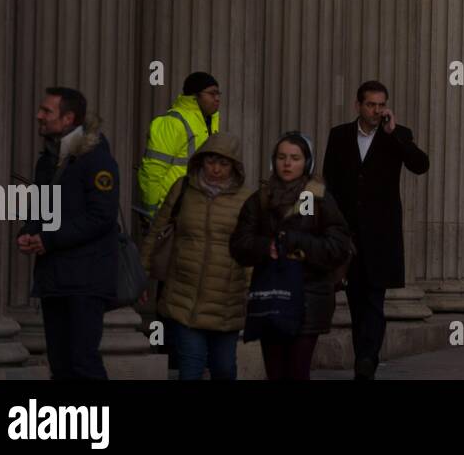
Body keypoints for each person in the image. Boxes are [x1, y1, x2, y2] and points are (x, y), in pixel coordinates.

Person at [323, 80, 430, 379]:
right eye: (371, 104)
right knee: (356, 300)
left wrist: (395, 135)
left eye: (381, 104)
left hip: (381, 235)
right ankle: (364, 355)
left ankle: (366, 360)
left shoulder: (397, 135)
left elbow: (421, 165)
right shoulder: (340, 135)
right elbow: (329, 180)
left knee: (374, 299)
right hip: (348, 234)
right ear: (358, 105)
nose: (376, 110)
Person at [231, 132, 353, 380]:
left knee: (297, 371)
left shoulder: (320, 199)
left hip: (309, 298)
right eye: (282, 157)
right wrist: (266, 247)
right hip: (272, 296)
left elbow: (339, 246)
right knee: (276, 372)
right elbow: (239, 244)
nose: (287, 164)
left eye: (295, 158)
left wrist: (299, 243)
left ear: (306, 162)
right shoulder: (260, 200)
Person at [16, 88, 119, 380]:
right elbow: (40, 209)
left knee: (82, 363)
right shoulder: (47, 160)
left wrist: (49, 239)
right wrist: (29, 231)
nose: (39, 116)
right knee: (60, 365)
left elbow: (102, 216)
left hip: (86, 278)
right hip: (55, 277)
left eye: (46, 111)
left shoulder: (97, 158)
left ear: (68, 118)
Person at [139, 131, 251, 380]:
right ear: (201, 160)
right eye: (211, 161)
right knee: (190, 367)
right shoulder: (182, 189)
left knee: (223, 368)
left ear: (234, 166)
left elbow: (250, 248)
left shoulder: (246, 199)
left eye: (223, 163)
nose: (216, 169)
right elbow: (158, 230)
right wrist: (142, 273)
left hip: (226, 299)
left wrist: (252, 290)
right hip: (184, 295)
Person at [137, 71, 221, 233]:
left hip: (194, 213)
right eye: (212, 93)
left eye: (218, 94)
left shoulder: (208, 123)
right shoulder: (173, 123)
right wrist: (152, 214)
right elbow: (152, 172)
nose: (217, 98)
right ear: (194, 96)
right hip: (171, 215)